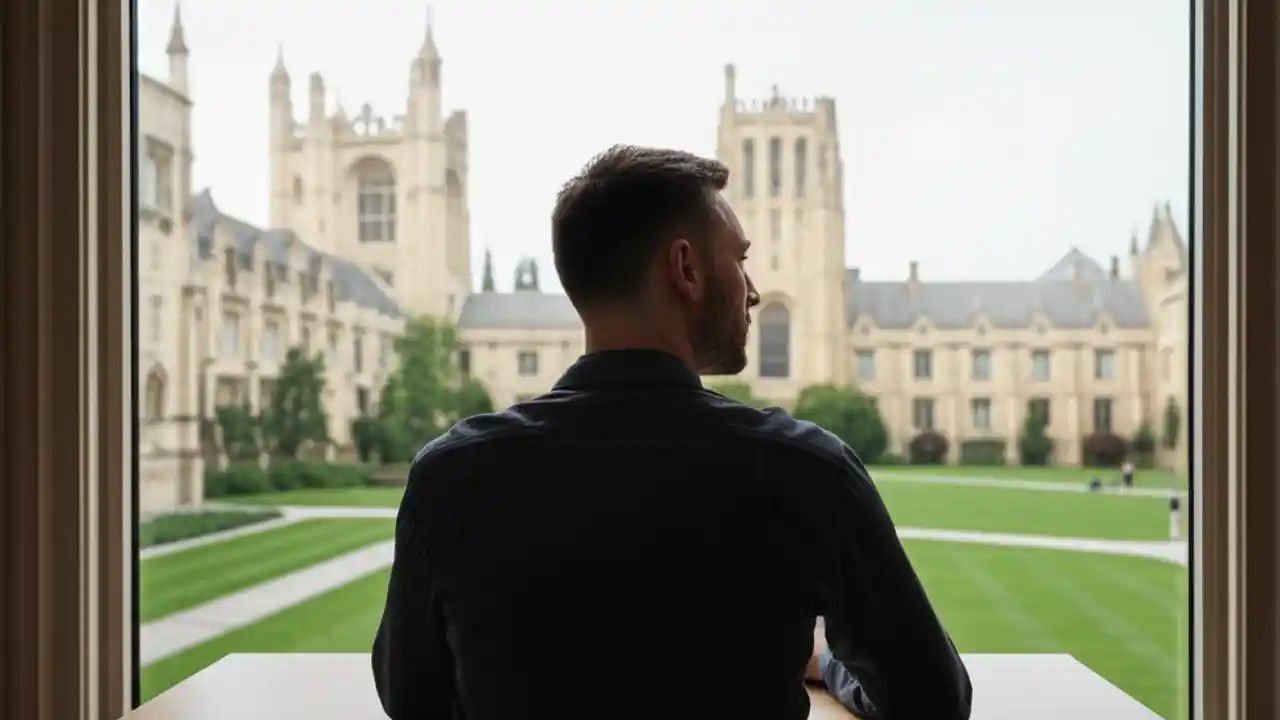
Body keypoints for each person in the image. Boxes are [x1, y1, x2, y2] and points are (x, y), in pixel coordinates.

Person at [372, 145, 972, 719]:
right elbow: (931, 699)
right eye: (739, 260)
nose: (754, 291)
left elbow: (410, 698)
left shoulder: (451, 475)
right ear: (685, 268)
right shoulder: (807, 470)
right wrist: (825, 663)